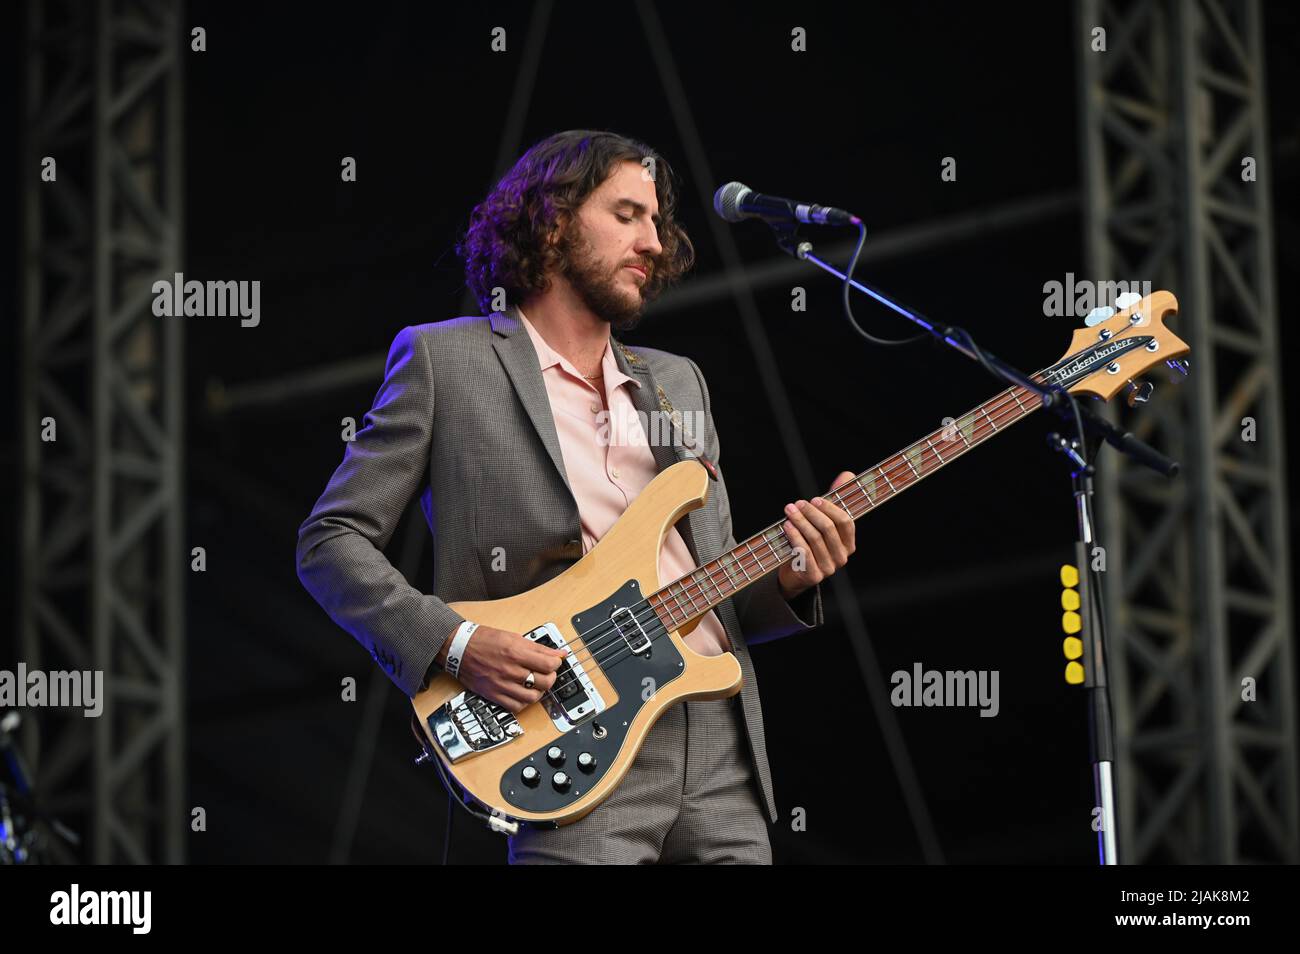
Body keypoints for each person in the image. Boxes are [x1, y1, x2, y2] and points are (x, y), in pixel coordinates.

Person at [296, 130, 857, 864]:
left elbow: (714, 593)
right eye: (627, 215)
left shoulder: (677, 381)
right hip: (567, 738)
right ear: (553, 220)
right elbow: (329, 540)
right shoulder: (446, 360)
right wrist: (455, 645)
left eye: (657, 221)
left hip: (718, 745)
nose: (654, 242)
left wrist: (791, 576)